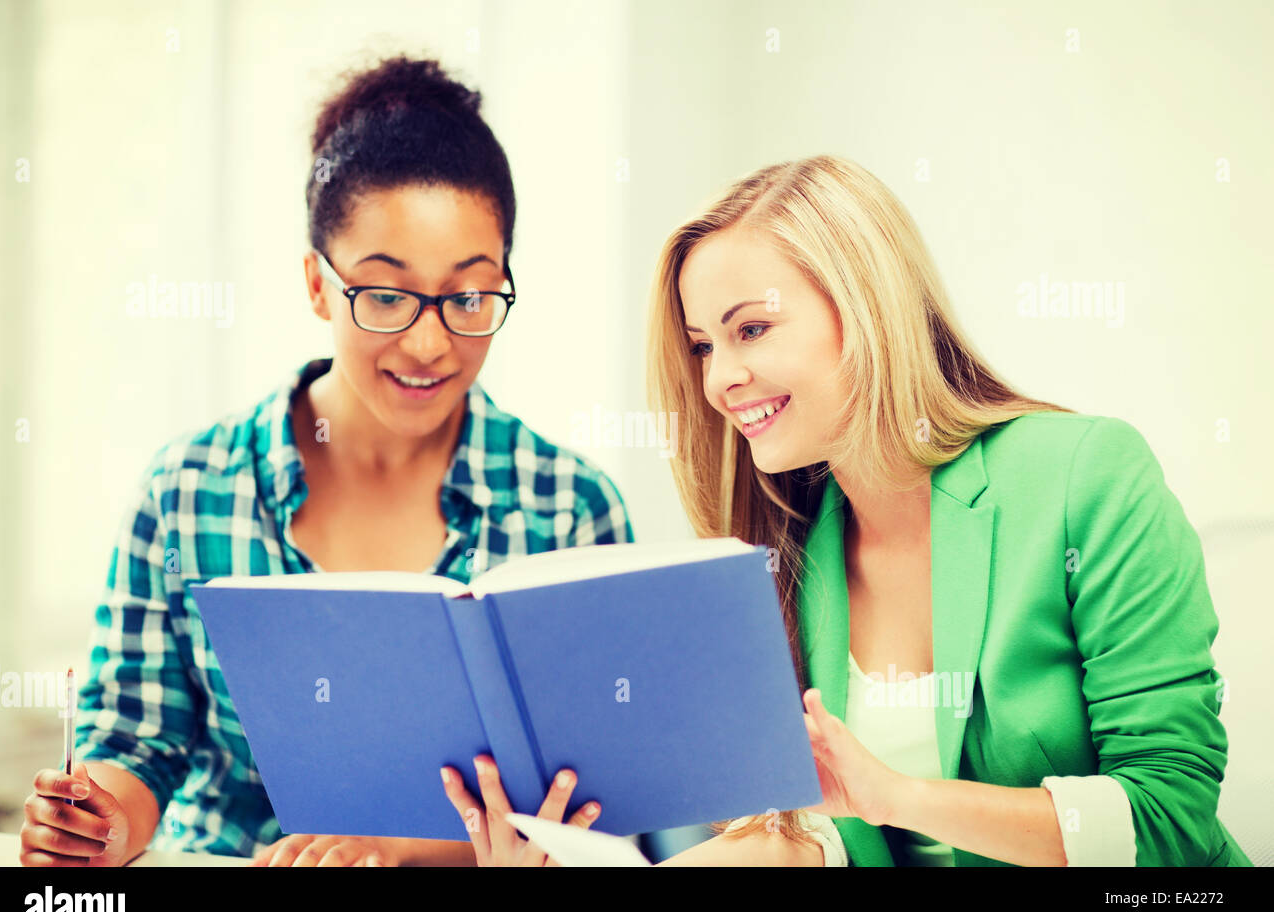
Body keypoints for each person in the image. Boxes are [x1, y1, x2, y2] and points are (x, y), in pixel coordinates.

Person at [448, 154, 1250, 867]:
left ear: (866, 309)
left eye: (751, 329)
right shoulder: (789, 543)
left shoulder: (1085, 475)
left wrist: (895, 797)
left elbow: (1168, 821)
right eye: (702, 346)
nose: (719, 379)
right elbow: (808, 836)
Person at [18, 55, 631, 868]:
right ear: (317, 285)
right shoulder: (189, 489)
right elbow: (136, 738)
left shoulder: (571, 507)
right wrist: (103, 823)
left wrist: (387, 848)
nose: (428, 343)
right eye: (383, 295)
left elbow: (603, 796)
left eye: (470, 296)